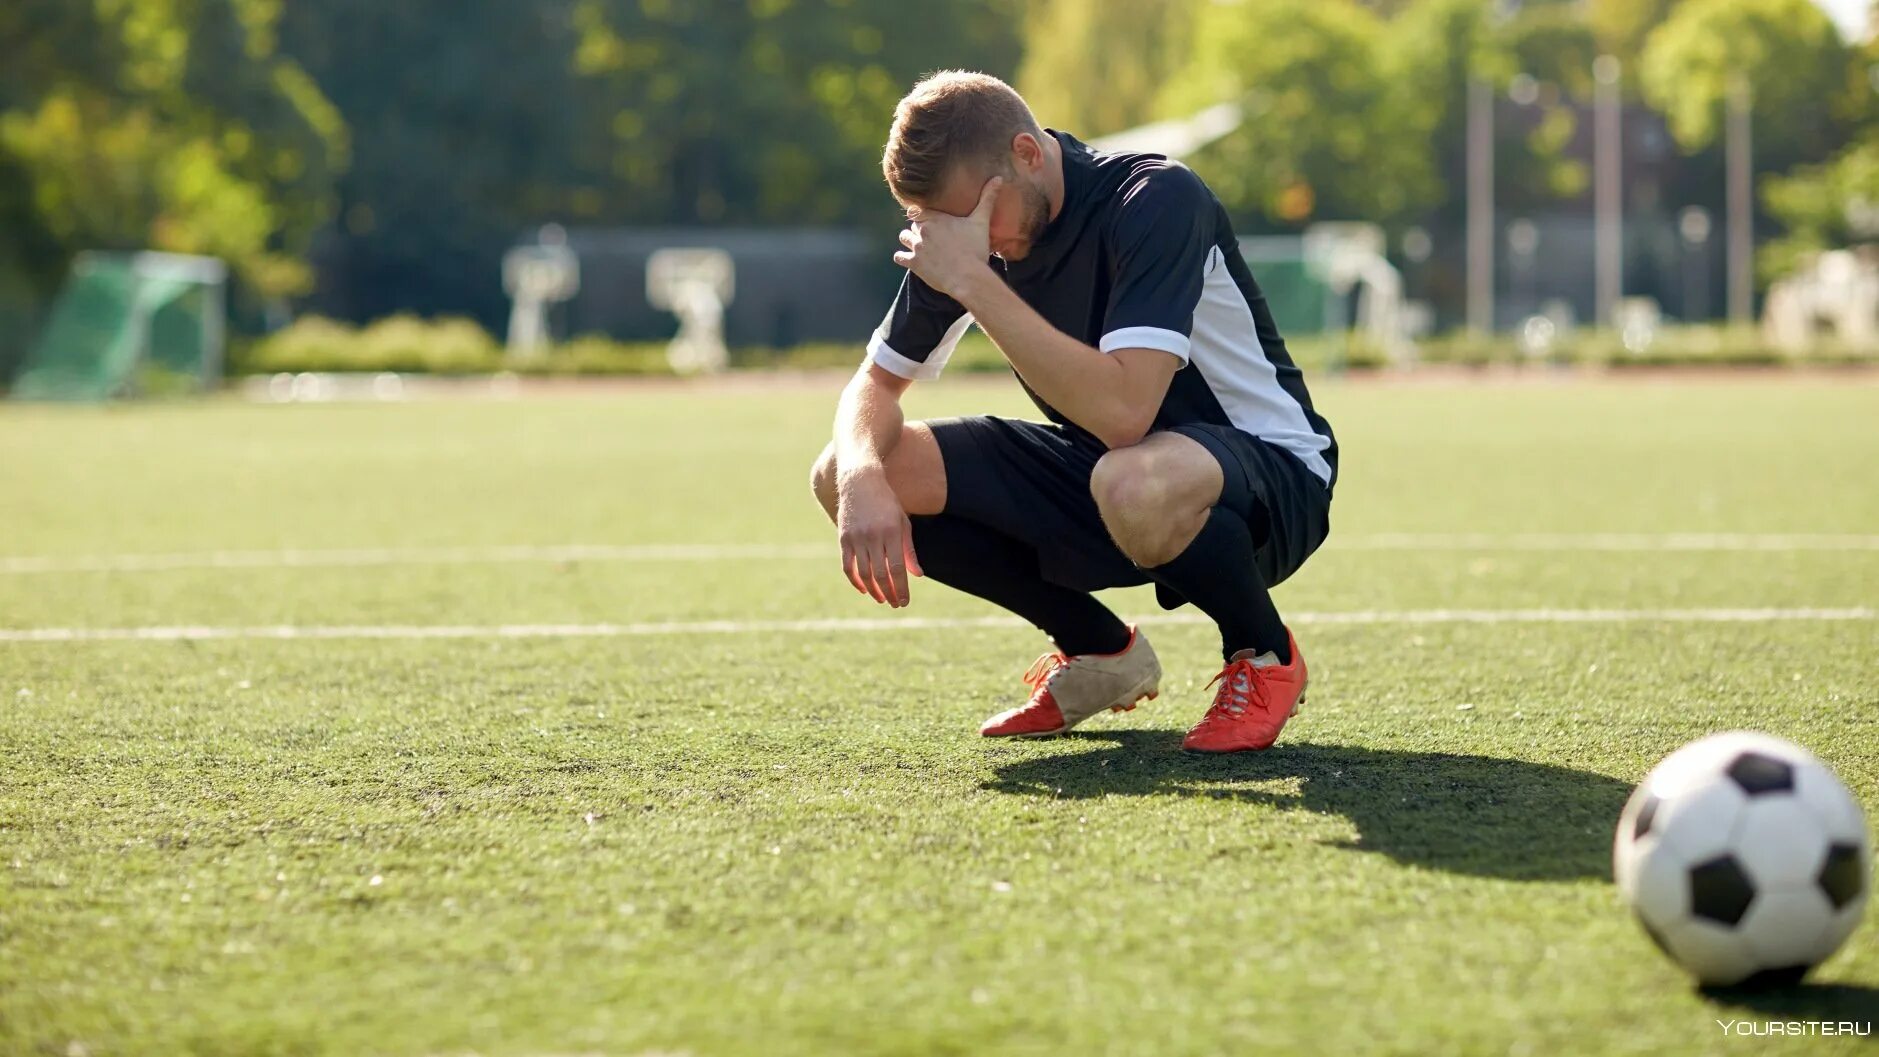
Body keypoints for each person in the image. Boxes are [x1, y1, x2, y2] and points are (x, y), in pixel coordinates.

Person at [810, 71, 1336, 753]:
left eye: (976, 219)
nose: (978, 242)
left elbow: (1124, 411)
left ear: (1027, 154)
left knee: (1131, 479)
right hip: (1110, 472)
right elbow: (872, 388)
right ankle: (1099, 653)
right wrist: (858, 479)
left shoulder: (1155, 199)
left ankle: (1263, 653)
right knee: (847, 466)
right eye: (943, 226)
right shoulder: (970, 229)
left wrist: (971, 280)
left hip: (1269, 472)